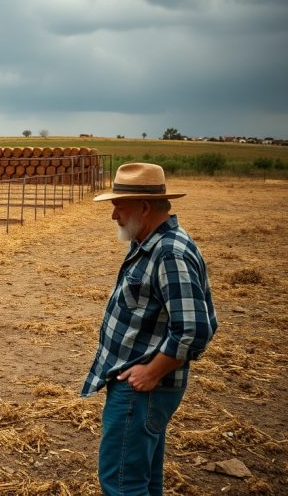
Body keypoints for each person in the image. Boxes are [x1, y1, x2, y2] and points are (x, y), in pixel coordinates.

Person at [81, 162, 217, 496]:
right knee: (143, 479)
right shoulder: (150, 243)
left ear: (144, 207)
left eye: (119, 206)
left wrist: (152, 373)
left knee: (122, 484)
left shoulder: (169, 252)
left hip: (141, 389)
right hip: (139, 387)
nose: (114, 215)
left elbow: (195, 330)